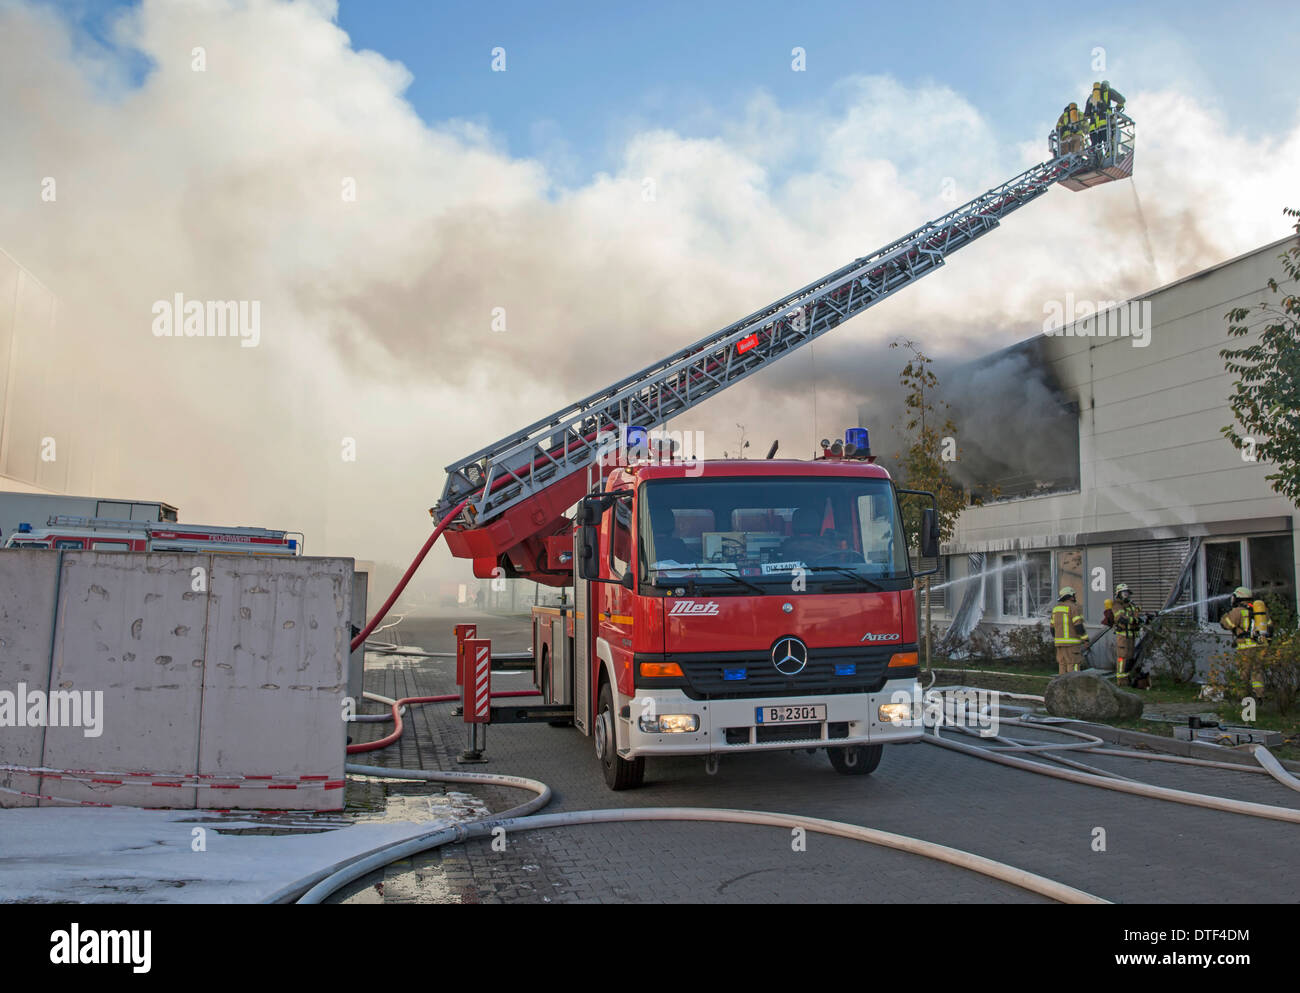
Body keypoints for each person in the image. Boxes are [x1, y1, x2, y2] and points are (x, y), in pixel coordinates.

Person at [1219, 588, 1274, 698]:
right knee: (1257, 672)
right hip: (1262, 645)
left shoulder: (1238, 611)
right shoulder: (1260, 610)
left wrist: (1225, 615)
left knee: (1243, 672)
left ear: (1238, 597)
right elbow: (1270, 627)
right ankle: (1259, 696)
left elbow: (1226, 624)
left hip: (1246, 647)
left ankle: (1242, 696)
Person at [1051, 586, 1090, 675]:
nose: (1074, 597)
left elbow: (1052, 629)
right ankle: (1074, 686)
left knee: (1062, 664)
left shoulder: (1056, 609)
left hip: (1059, 644)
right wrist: (1086, 639)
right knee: (1074, 663)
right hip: (1072, 644)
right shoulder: (1073, 608)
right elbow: (1078, 626)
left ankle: (1062, 686)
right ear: (1070, 596)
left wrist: (1058, 639)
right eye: (1073, 595)